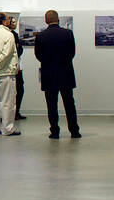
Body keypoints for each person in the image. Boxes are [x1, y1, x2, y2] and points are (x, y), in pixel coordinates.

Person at [33, 10, 80, 139]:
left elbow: (38, 55)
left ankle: (54, 131)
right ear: (58, 19)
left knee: (51, 104)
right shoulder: (68, 33)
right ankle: (74, 131)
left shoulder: (41, 36)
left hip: (48, 74)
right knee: (69, 104)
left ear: (46, 20)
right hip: (66, 73)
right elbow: (72, 53)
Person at [6, 14, 27, 120]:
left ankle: (16, 111)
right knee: (13, 91)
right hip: (11, 67)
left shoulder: (15, 34)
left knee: (20, 89)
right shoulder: (9, 35)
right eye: (13, 22)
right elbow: (15, 50)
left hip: (18, 66)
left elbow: (19, 49)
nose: (15, 24)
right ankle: (12, 113)